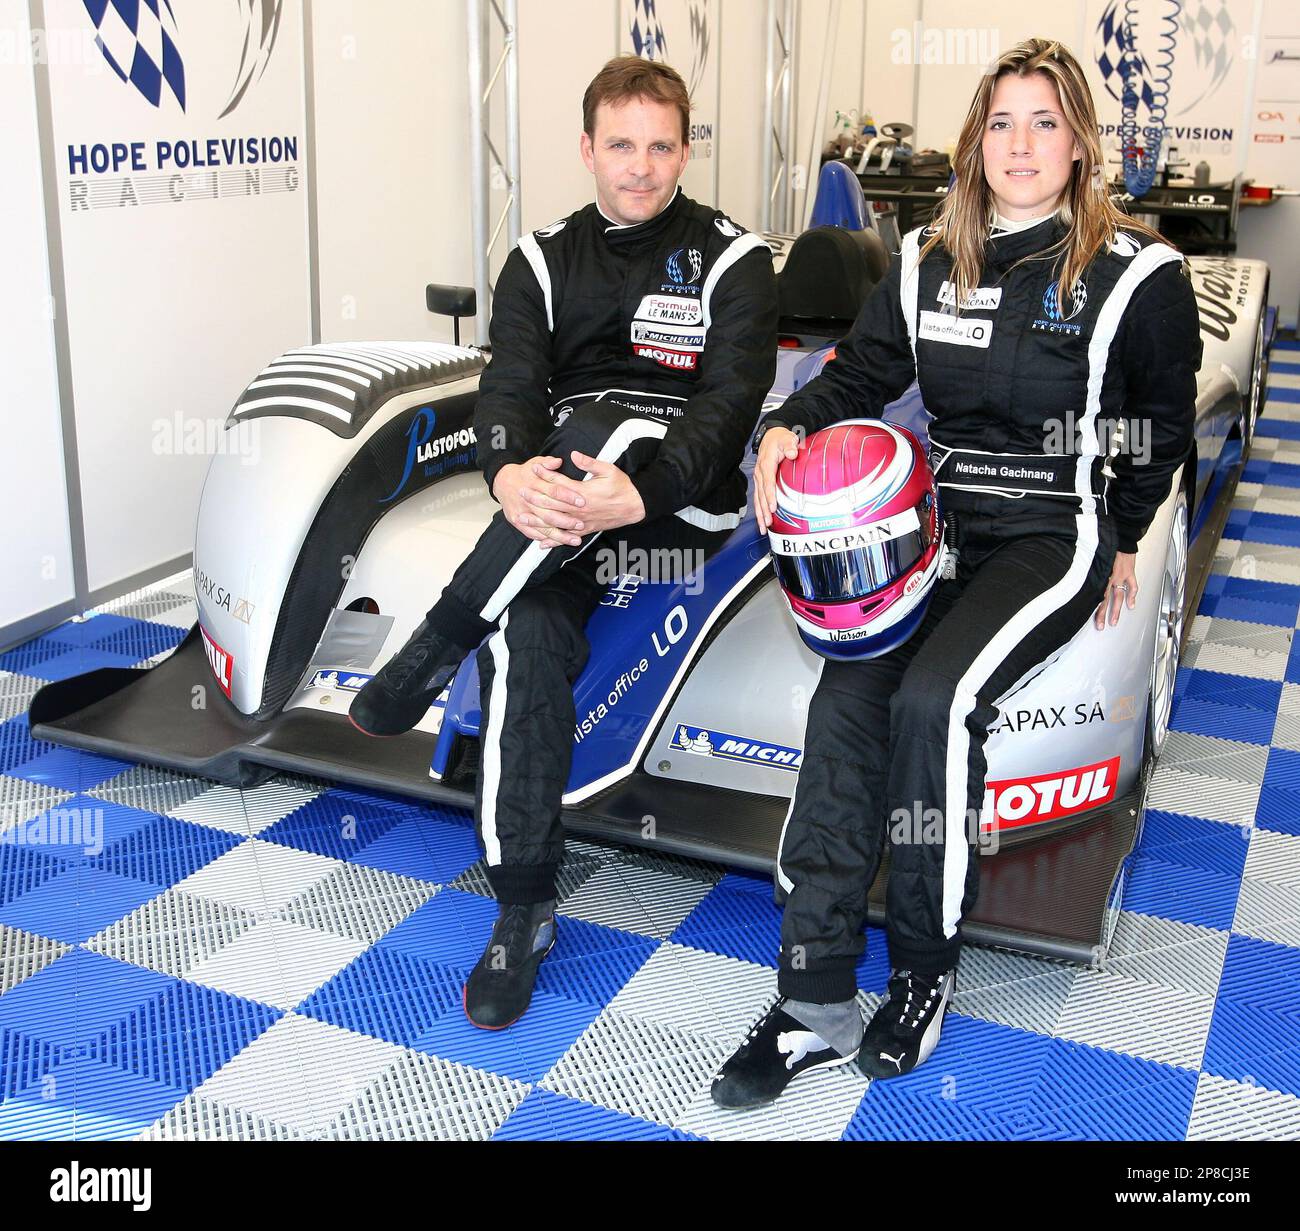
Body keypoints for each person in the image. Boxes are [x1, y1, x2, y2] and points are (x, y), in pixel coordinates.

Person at [711, 37, 1202, 1109]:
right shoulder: (929, 253)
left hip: (1048, 526)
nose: (1019, 145)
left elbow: (1156, 427)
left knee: (935, 700)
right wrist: (790, 427)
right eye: (1000, 123)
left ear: (1079, 143)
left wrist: (1120, 536)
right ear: (973, 139)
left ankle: (923, 970)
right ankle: (812, 997)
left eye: (1043, 123)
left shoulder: (1138, 275)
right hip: (931, 517)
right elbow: (866, 373)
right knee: (845, 707)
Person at [348, 56, 778, 1029]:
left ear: (684, 148)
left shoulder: (735, 259)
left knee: (611, 429)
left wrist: (640, 489)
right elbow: (507, 389)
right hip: (555, 524)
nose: (640, 167)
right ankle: (523, 902)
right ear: (586, 148)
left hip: (677, 515)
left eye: (660, 145)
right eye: (619, 145)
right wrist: (507, 472)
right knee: (525, 635)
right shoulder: (540, 258)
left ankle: (435, 638)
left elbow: (726, 410)